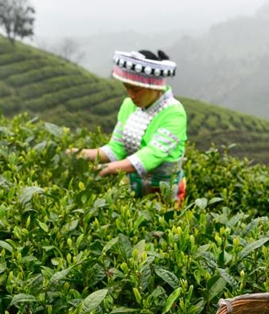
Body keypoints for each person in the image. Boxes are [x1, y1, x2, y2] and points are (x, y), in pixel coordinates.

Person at [69, 49, 187, 204]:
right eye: (127, 88)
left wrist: (112, 168)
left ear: (154, 86)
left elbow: (153, 154)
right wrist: (78, 154)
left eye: (136, 90)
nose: (131, 95)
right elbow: (116, 148)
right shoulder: (128, 105)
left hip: (164, 194)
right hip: (134, 190)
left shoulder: (174, 112)